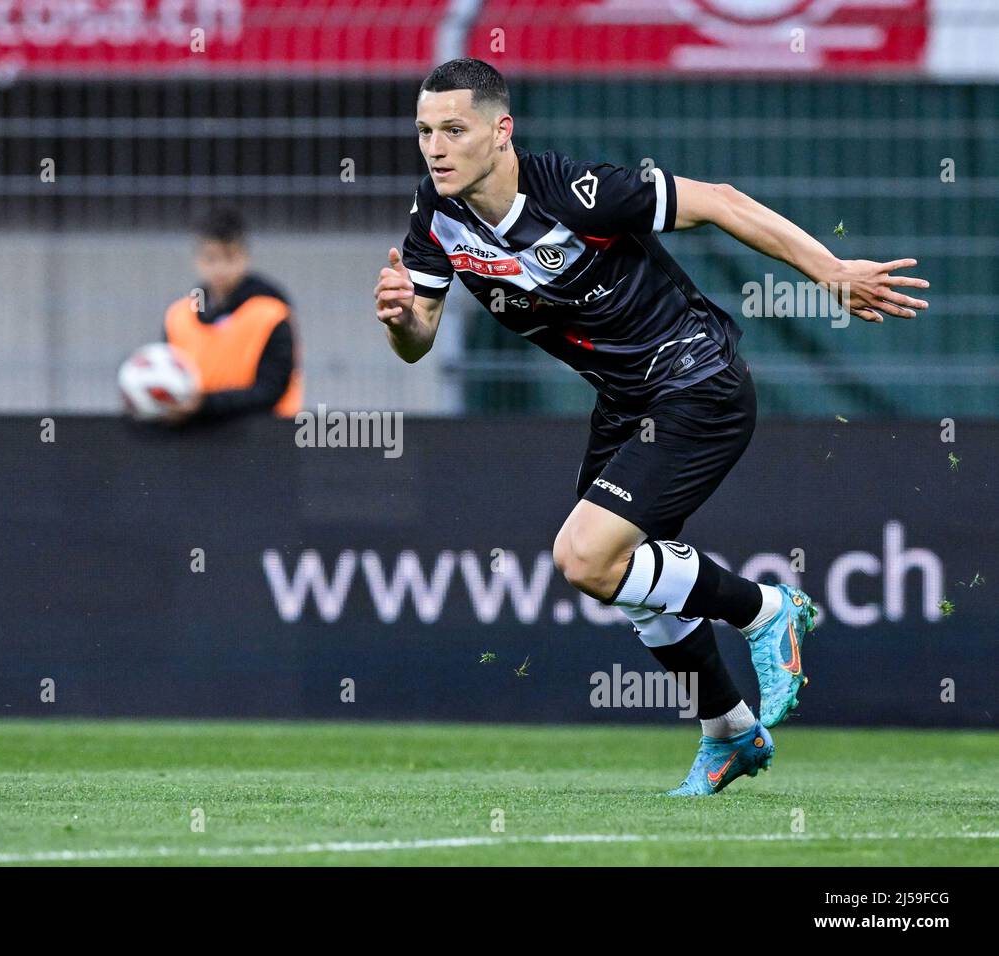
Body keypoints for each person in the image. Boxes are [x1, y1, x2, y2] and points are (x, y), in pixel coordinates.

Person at [374, 58, 930, 796]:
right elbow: (418, 343)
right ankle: (729, 730)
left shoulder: (577, 192)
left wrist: (829, 271)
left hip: (697, 381)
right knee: (627, 581)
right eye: (424, 132)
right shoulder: (435, 215)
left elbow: (723, 202)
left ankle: (766, 610)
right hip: (626, 404)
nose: (435, 147)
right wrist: (401, 318)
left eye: (454, 129)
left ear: (501, 132)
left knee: (583, 557)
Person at [159, 207, 302, 422]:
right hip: (196, 437)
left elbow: (272, 389)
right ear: (197, 260)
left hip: (264, 437)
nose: (220, 268)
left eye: (229, 257)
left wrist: (205, 404)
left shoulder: (271, 313)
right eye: (211, 258)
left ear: (245, 257)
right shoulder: (179, 316)